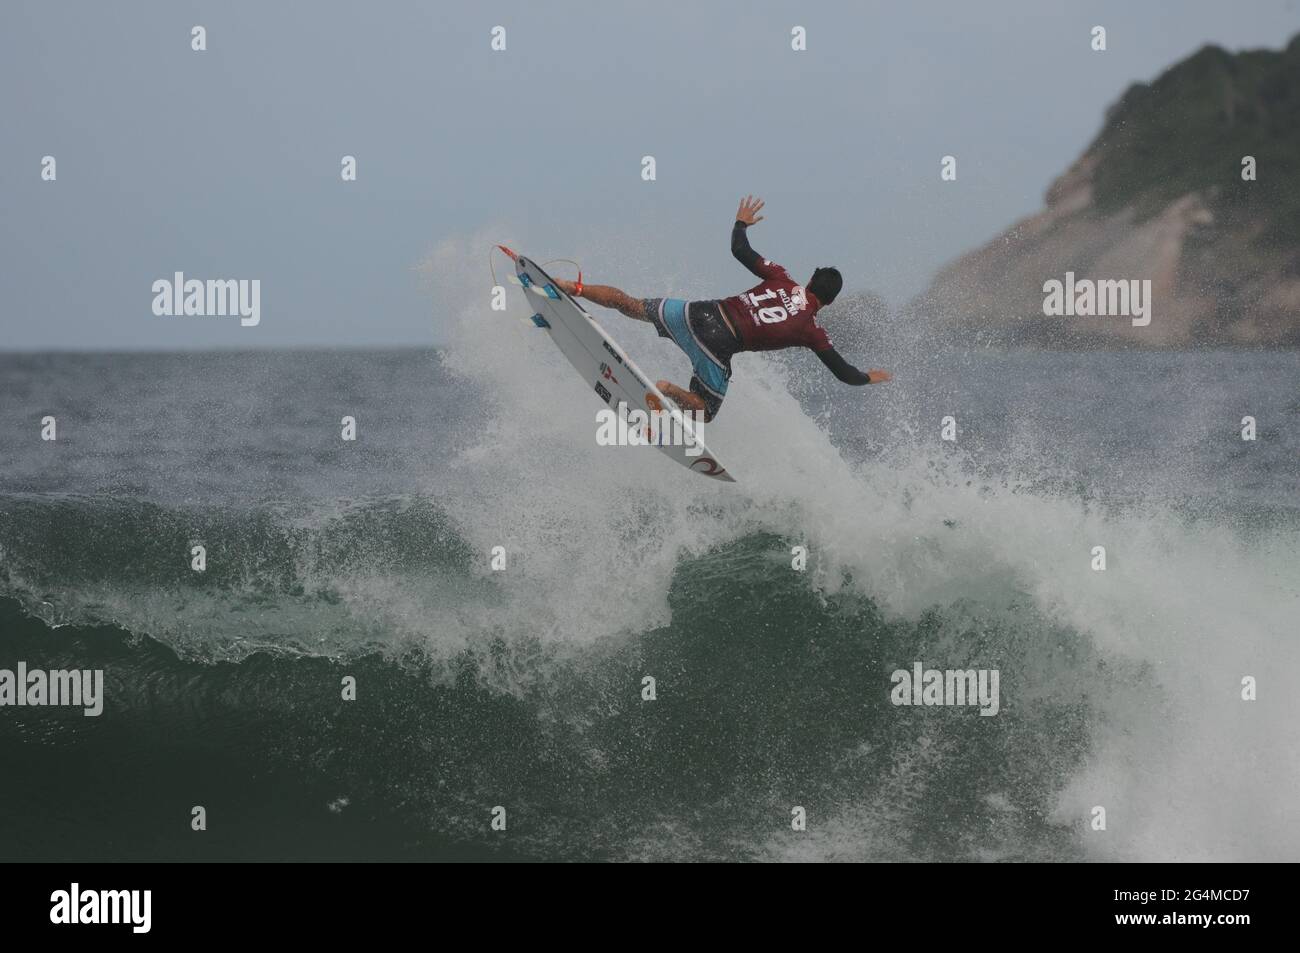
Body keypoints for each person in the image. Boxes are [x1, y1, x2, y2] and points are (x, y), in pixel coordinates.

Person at [553, 196, 890, 421]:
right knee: (705, 412)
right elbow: (844, 373)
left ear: (810, 280)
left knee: (632, 305)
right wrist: (868, 377)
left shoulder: (782, 277)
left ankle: (573, 287)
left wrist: (740, 223)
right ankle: (669, 390)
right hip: (718, 344)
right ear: (828, 302)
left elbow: (739, 250)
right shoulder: (811, 330)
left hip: (697, 313)